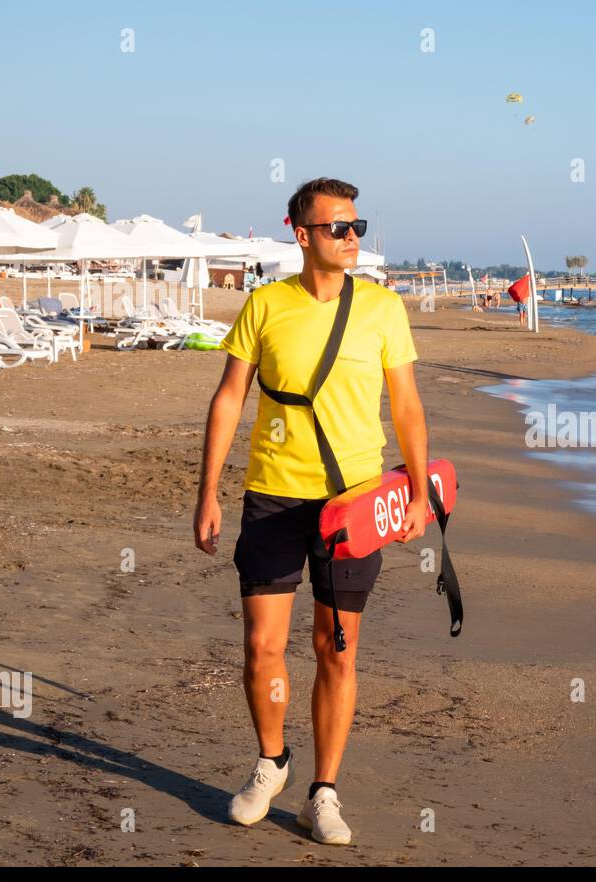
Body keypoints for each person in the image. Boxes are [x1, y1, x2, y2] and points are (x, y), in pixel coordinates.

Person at [193, 177, 429, 846]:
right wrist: (207, 490)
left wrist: (415, 491)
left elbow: (406, 406)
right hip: (273, 497)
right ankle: (272, 762)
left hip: (354, 504)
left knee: (336, 651)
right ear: (302, 234)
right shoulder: (265, 305)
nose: (352, 238)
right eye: (338, 228)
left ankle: (322, 793)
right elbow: (229, 398)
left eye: (357, 226)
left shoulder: (383, 309)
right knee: (262, 647)